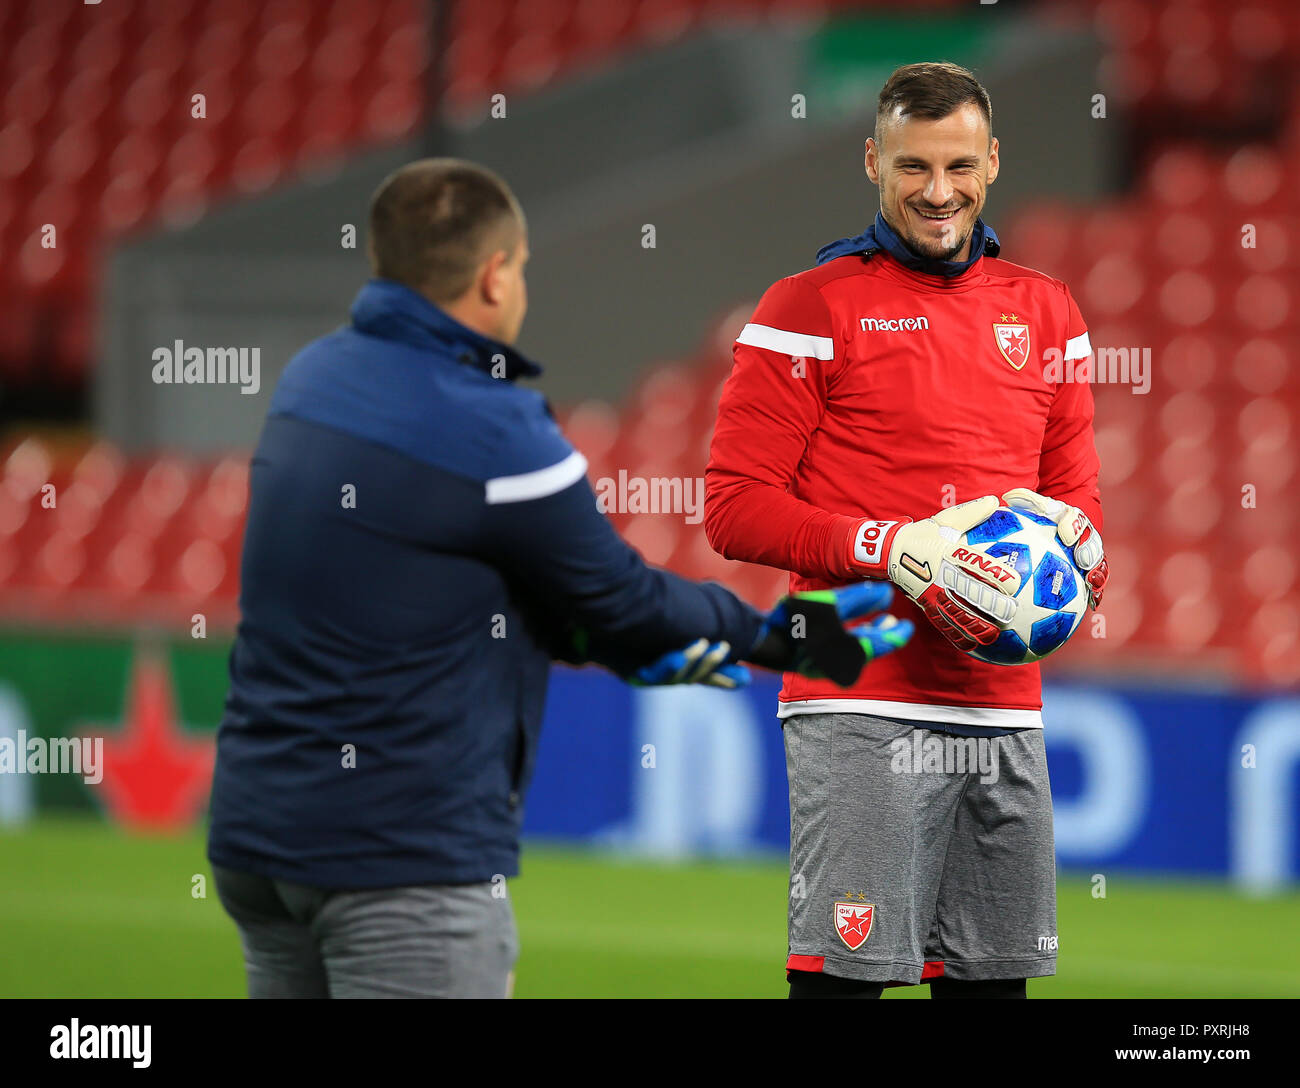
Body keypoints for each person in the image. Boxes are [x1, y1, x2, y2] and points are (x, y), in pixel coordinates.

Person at [205, 158, 912, 999]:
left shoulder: (309, 381)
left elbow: (434, 584)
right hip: (400, 857)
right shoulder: (491, 426)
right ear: (495, 274)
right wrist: (772, 633)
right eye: (526, 268)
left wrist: (607, 645)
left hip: (257, 843)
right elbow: (614, 595)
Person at [704, 63, 1109, 999]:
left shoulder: (1047, 313)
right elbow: (733, 507)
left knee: (993, 987)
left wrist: (1082, 554)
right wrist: (894, 547)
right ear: (873, 162)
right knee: (844, 985)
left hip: (1003, 705)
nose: (938, 192)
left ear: (994, 161)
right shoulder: (804, 308)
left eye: (960, 164)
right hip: (859, 693)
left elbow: (1077, 504)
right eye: (913, 166)